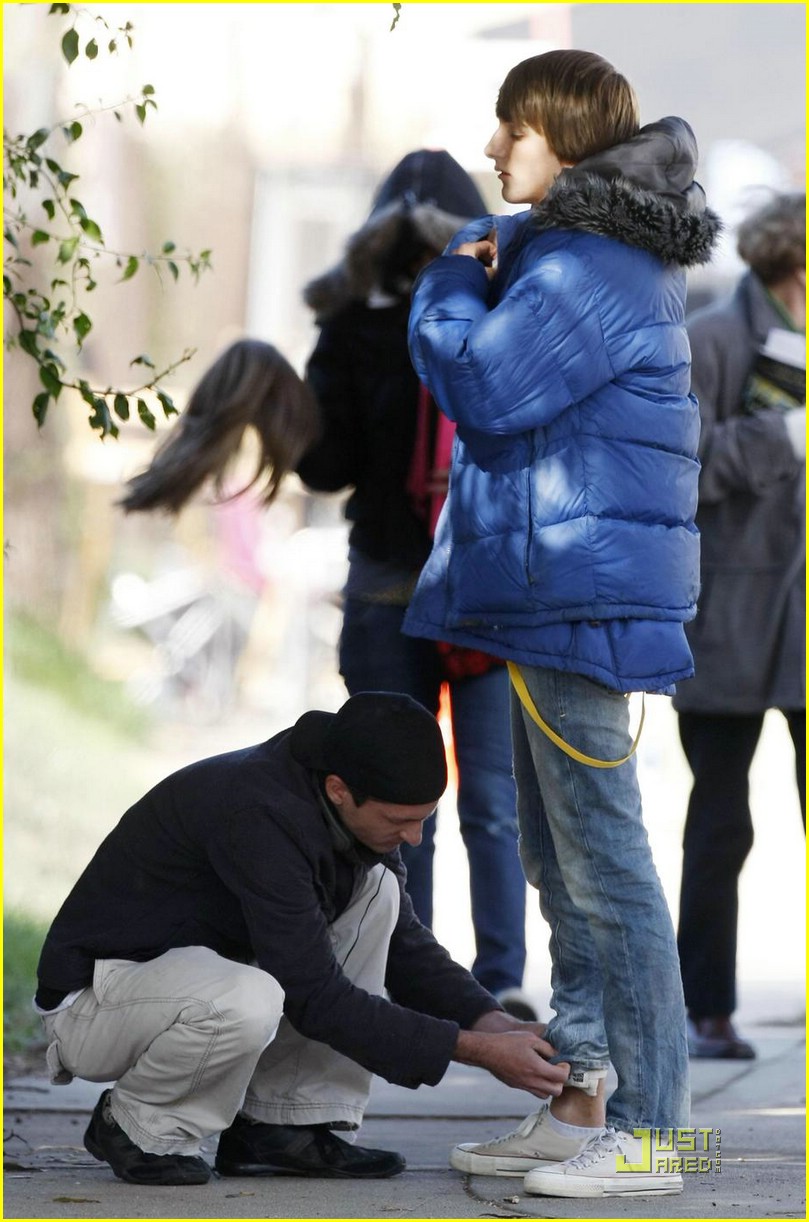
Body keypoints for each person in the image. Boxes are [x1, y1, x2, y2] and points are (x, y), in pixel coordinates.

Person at [403, 50, 720, 1198]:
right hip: (553, 589)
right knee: (558, 857)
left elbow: (481, 387)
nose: (492, 151)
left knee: (605, 867)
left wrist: (449, 279)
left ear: (565, 138)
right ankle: (579, 1093)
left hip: (573, 591)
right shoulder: (576, 255)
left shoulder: (590, 264)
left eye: (510, 130)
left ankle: (648, 1130)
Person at [122, 150, 536, 1021]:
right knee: (398, 801)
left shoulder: (500, 324)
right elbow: (333, 464)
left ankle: (496, 980)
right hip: (397, 583)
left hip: (480, 585)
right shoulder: (356, 328)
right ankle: (408, 974)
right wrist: (286, 409)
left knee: (490, 800)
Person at [34, 692, 569, 1187]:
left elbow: (405, 947)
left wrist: (498, 1024)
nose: (414, 838)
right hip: (96, 1002)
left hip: (179, 982)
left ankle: (282, 1126)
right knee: (250, 998)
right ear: (339, 789)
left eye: (425, 819)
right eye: (401, 821)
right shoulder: (259, 813)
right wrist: (479, 1052)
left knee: (376, 891)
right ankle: (138, 1127)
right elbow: (314, 996)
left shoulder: (337, 797)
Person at [673, 191, 806, 1061]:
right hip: (723, 616)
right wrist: (781, 437)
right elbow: (678, 469)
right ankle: (703, 1008)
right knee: (719, 823)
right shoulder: (713, 337)